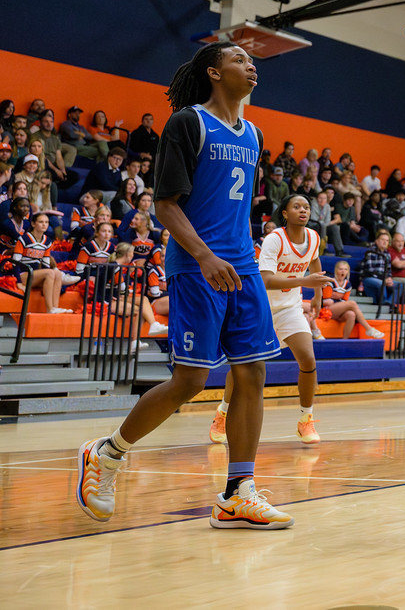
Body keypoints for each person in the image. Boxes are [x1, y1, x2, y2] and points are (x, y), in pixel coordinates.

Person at [74, 43, 294, 530]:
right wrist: (204, 254)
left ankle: (238, 491)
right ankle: (107, 455)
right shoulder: (187, 123)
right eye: (239, 60)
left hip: (242, 266)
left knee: (253, 374)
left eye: (252, 61)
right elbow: (166, 205)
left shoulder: (255, 133)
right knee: (191, 381)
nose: (251, 65)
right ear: (214, 72)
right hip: (197, 264)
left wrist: (240, 257)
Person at [210, 194, 331, 446]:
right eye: (297, 207)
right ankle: (222, 413)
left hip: (290, 308)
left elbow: (315, 260)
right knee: (243, 366)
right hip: (260, 307)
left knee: (308, 358)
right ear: (284, 213)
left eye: (306, 207)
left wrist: (318, 295)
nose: (303, 211)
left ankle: (305, 419)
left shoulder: (313, 237)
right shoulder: (275, 239)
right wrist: (305, 282)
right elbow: (265, 279)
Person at [322, 259, 384, 339]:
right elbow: (327, 301)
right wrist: (341, 298)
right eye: (340, 269)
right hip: (326, 311)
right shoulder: (330, 282)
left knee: (351, 314)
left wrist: (338, 296)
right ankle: (368, 328)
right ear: (336, 270)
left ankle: (344, 341)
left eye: (345, 269)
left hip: (338, 311)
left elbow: (344, 301)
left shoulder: (348, 284)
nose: (343, 271)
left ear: (348, 271)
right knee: (352, 303)